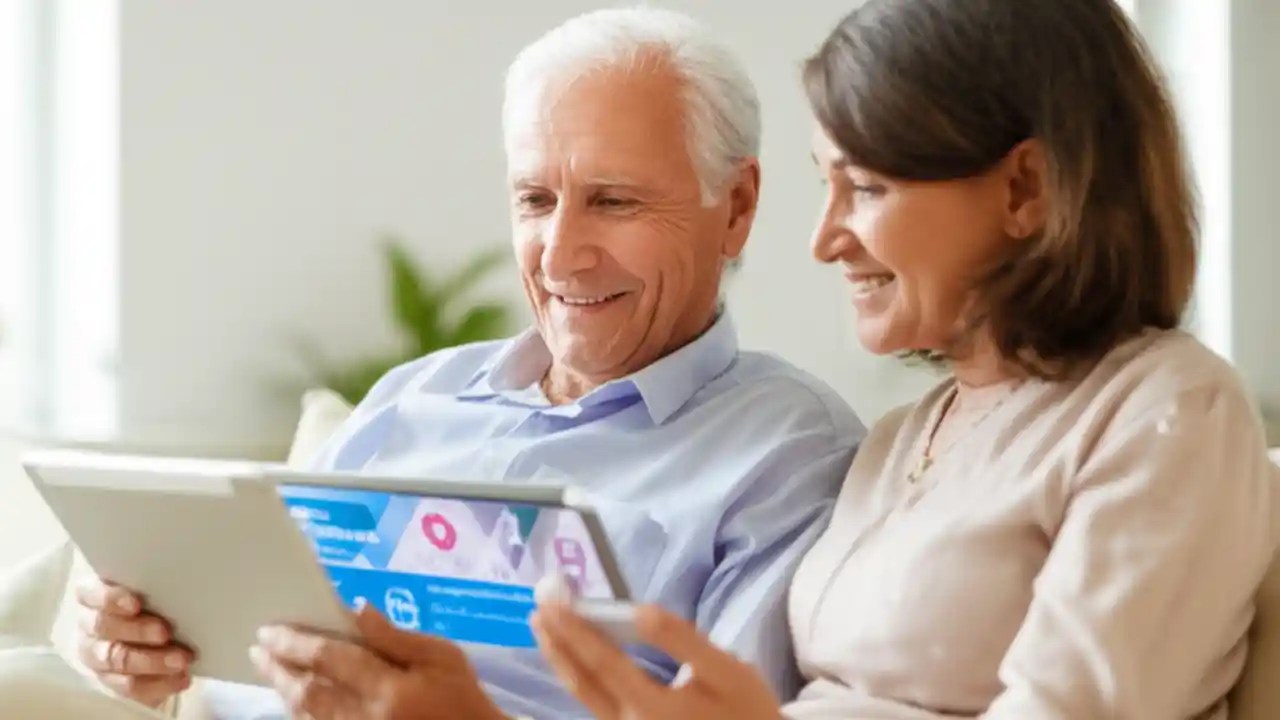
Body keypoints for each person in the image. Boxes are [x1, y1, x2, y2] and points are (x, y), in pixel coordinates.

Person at [71, 7, 864, 720]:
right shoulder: (414, 397)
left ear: (736, 207)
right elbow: (257, 649)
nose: (561, 255)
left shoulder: (789, 451)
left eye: (614, 201)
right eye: (534, 200)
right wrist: (150, 652)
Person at [532, 1, 1280, 718]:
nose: (825, 240)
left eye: (864, 187)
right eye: (828, 185)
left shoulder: (1167, 409)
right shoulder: (899, 439)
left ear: (1026, 188)